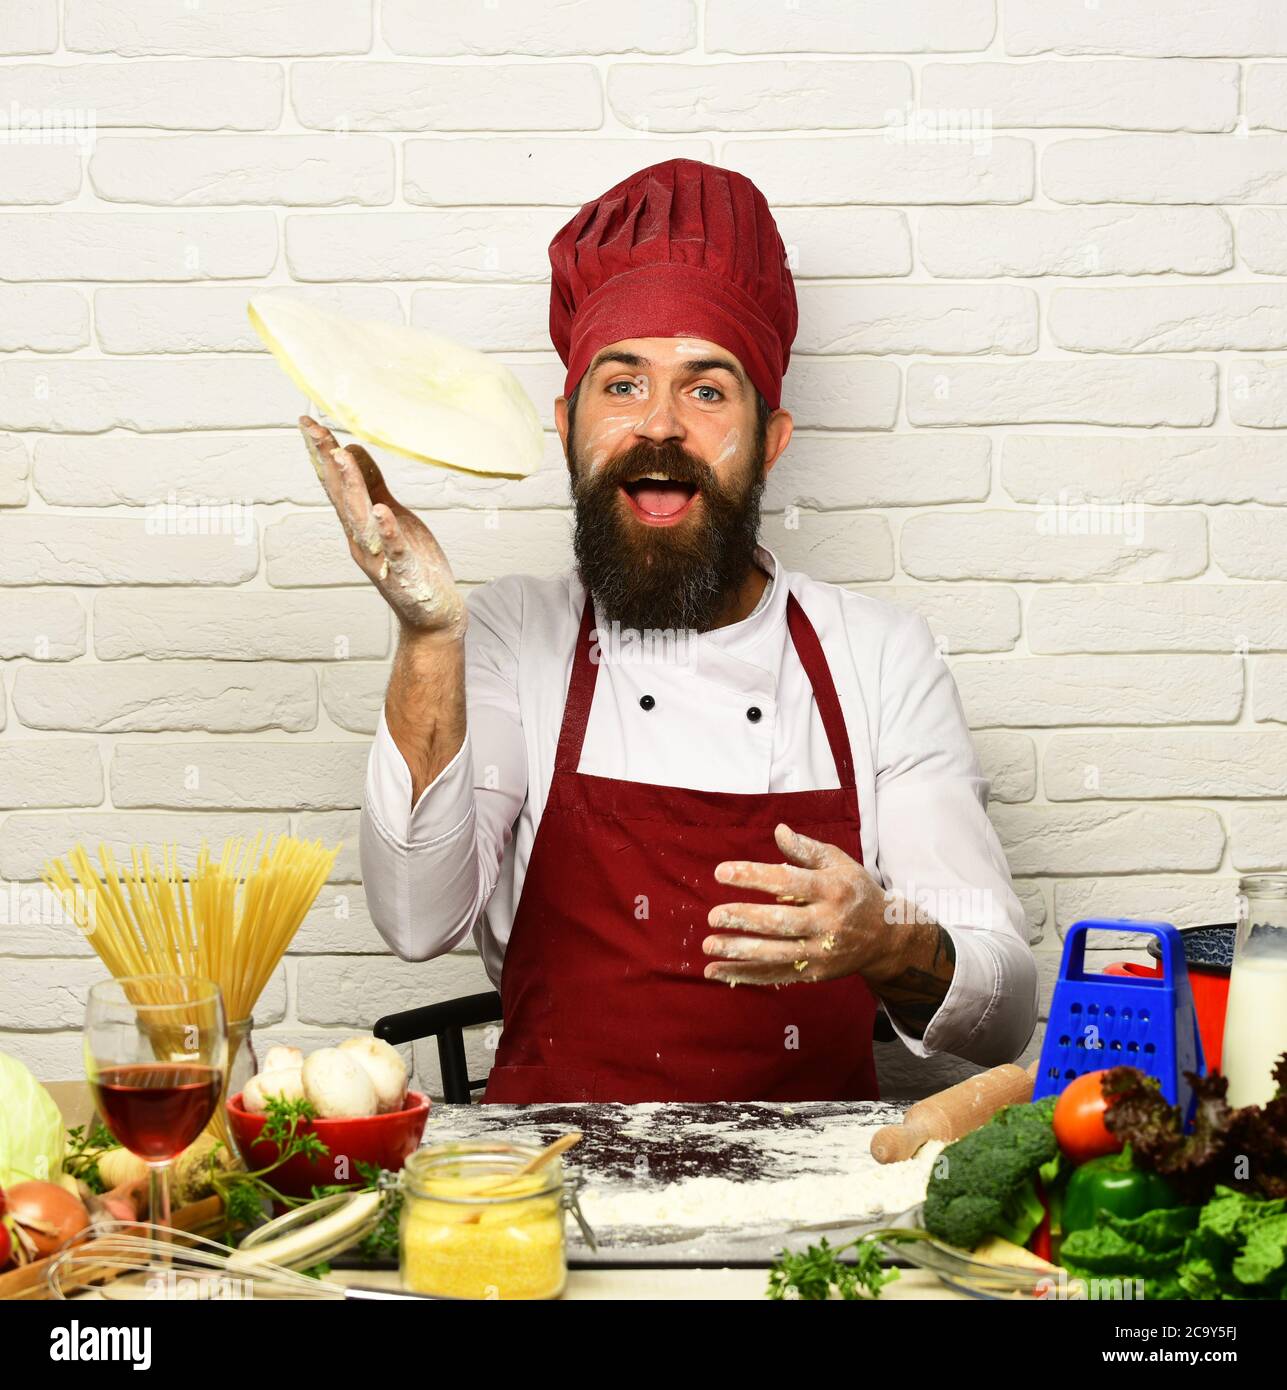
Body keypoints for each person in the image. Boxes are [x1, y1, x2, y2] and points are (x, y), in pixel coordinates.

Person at [300, 157, 1039, 1103]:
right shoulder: (509, 631)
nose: (658, 426)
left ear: (769, 438)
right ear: (567, 426)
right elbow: (413, 921)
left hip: (812, 1204)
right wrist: (428, 635)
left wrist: (883, 941)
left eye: (704, 389)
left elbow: (1006, 1011)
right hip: (548, 1188)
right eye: (621, 386)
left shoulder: (877, 654)